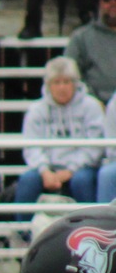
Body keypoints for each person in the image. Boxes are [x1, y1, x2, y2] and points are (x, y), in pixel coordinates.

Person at [14, 57, 108, 204]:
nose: (62, 87)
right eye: (57, 82)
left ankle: (90, 225)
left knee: (82, 180)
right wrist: (44, 171)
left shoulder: (91, 107)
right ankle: (21, 226)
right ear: (48, 85)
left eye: (66, 82)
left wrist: (70, 170)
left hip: (82, 167)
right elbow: (31, 146)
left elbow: (95, 146)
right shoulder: (36, 109)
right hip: (46, 168)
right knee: (28, 180)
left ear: (75, 84)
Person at [70, 0, 116, 104]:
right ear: (99, 3)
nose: (113, 3)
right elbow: (71, 74)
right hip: (93, 107)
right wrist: (93, 101)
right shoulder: (81, 37)